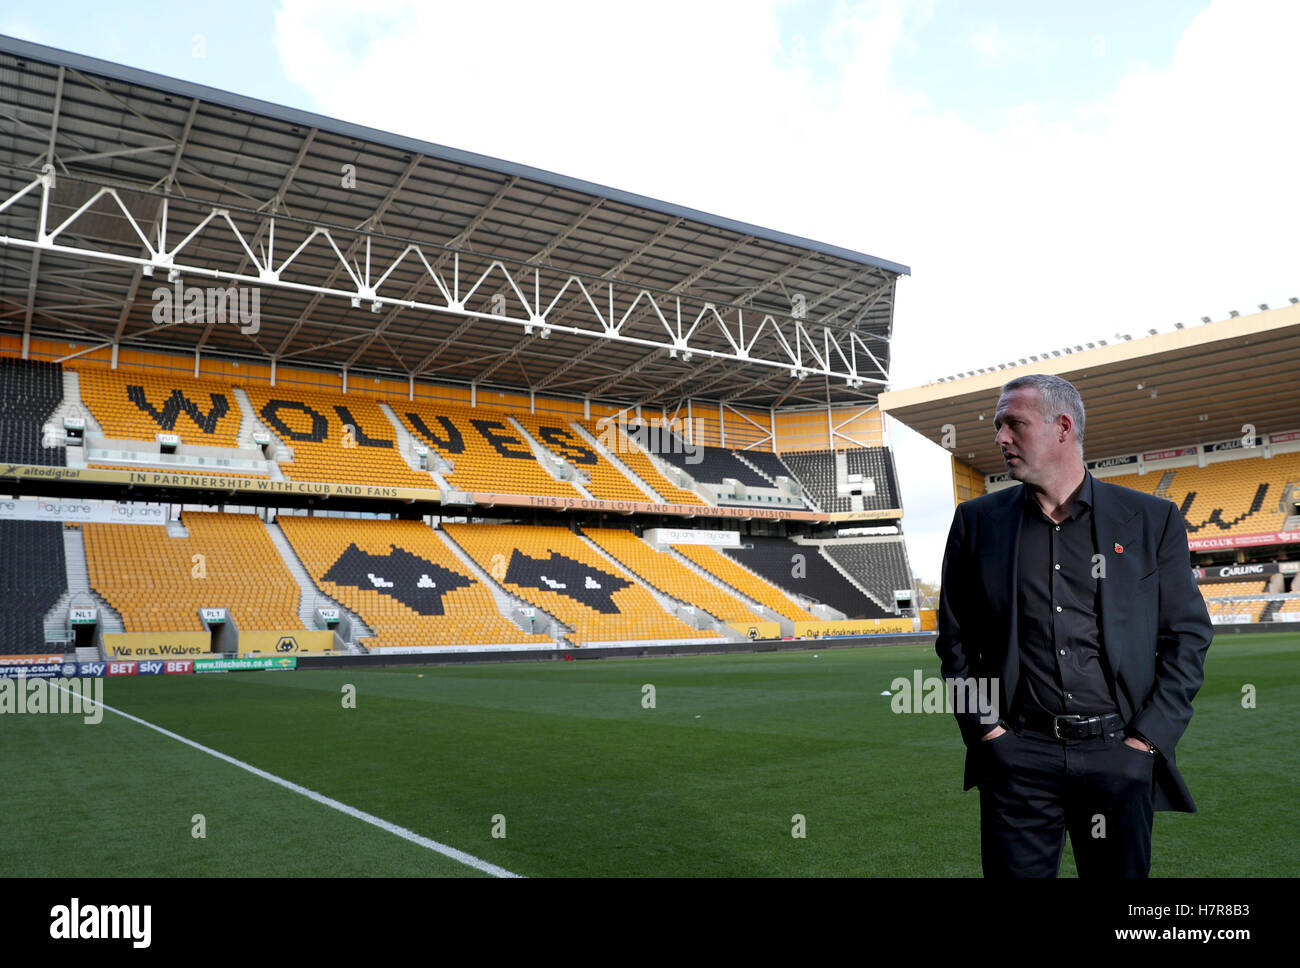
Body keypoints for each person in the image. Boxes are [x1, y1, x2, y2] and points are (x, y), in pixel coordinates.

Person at [935, 373, 1212, 877]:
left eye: (1013, 424)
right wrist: (989, 735)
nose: (1000, 438)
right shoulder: (977, 522)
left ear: (1063, 427)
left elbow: (1187, 637)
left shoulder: (1152, 519)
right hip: (1016, 759)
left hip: (1118, 755)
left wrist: (1144, 743)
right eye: (998, 426)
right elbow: (955, 644)